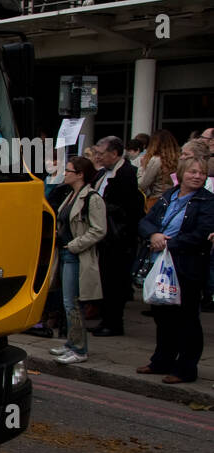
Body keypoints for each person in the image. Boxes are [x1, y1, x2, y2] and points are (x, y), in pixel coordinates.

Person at [135, 157, 214, 382]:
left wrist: (168, 242)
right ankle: (161, 361)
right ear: (181, 174)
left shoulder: (207, 201)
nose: (198, 176)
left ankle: (186, 369)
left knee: (187, 319)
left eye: (202, 173)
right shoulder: (169, 196)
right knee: (163, 316)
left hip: (186, 267)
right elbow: (146, 221)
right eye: (193, 172)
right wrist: (153, 235)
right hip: (160, 264)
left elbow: (201, 235)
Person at [49, 156, 107, 365]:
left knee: (73, 302)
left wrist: (75, 245)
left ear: (80, 174)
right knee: (67, 302)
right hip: (65, 254)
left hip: (78, 256)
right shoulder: (71, 195)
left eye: (69, 171)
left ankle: (79, 349)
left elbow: (99, 230)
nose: (65, 174)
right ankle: (71, 344)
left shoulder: (92, 198)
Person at [90, 135, 143, 337]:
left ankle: (113, 322)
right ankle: (105, 319)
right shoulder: (102, 173)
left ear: (114, 153)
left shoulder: (127, 174)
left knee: (115, 281)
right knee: (104, 279)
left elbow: (129, 208)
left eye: (101, 154)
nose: (98, 157)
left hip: (118, 238)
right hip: (103, 235)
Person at [137, 129, 181, 208]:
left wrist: (142, 168)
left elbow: (142, 185)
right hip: (175, 199)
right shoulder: (179, 160)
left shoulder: (156, 160)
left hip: (157, 201)